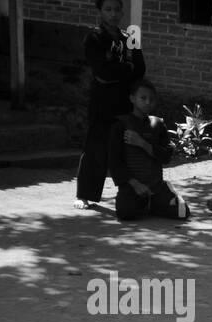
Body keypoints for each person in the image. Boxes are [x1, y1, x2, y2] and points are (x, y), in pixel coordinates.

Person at [75, 0, 145, 209]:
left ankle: (130, 191)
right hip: (102, 101)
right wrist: (125, 69)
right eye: (108, 9)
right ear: (100, 11)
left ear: (122, 12)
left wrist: (118, 70)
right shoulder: (94, 37)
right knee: (96, 147)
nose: (113, 14)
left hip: (125, 101)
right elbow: (102, 72)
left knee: (125, 148)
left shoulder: (131, 36)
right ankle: (85, 194)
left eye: (117, 9)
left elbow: (140, 69)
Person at [108, 79, 189, 221]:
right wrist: (135, 184)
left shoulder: (157, 124)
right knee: (126, 213)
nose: (147, 102)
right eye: (143, 98)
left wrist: (142, 143)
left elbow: (166, 157)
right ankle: (150, 205)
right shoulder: (120, 125)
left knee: (182, 212)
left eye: (151, 99)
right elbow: (114, 162)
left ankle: (153, 202)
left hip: (156, 185)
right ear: (132, 98)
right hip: (132, 185)